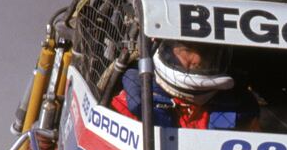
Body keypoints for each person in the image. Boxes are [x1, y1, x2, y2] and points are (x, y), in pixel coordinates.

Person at [111, 40, 259, 130]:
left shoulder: (240, 109)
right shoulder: (131, 104)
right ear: (168, 50)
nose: (197, 60)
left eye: (206, 52)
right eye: (187, 51)